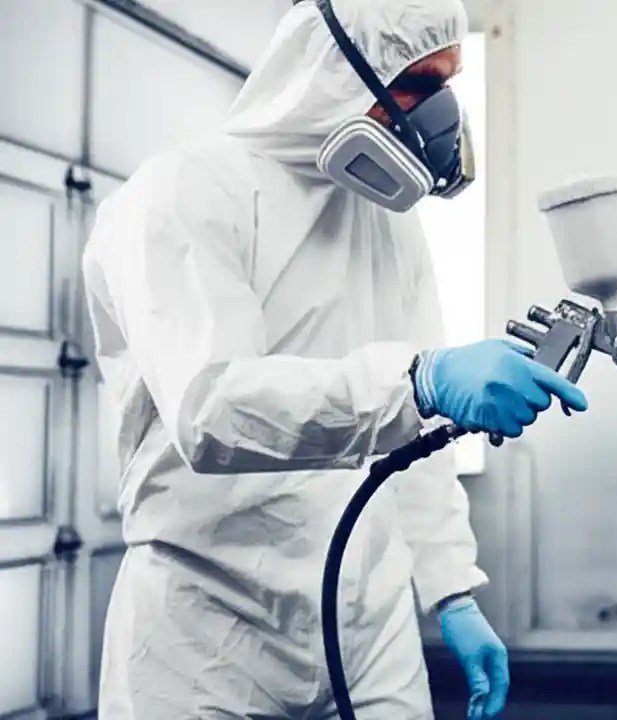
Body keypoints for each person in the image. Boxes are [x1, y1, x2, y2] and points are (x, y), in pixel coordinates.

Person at [81, 0, 586, 717]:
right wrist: (420, 380)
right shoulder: (182, 194)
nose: (439, 116)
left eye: (449, 85)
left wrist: (452, 589)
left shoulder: (387, 224)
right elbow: (213, 410)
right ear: (335, 76)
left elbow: (416, 440)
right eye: (417, 86)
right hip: (208, 641)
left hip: (368, 628)